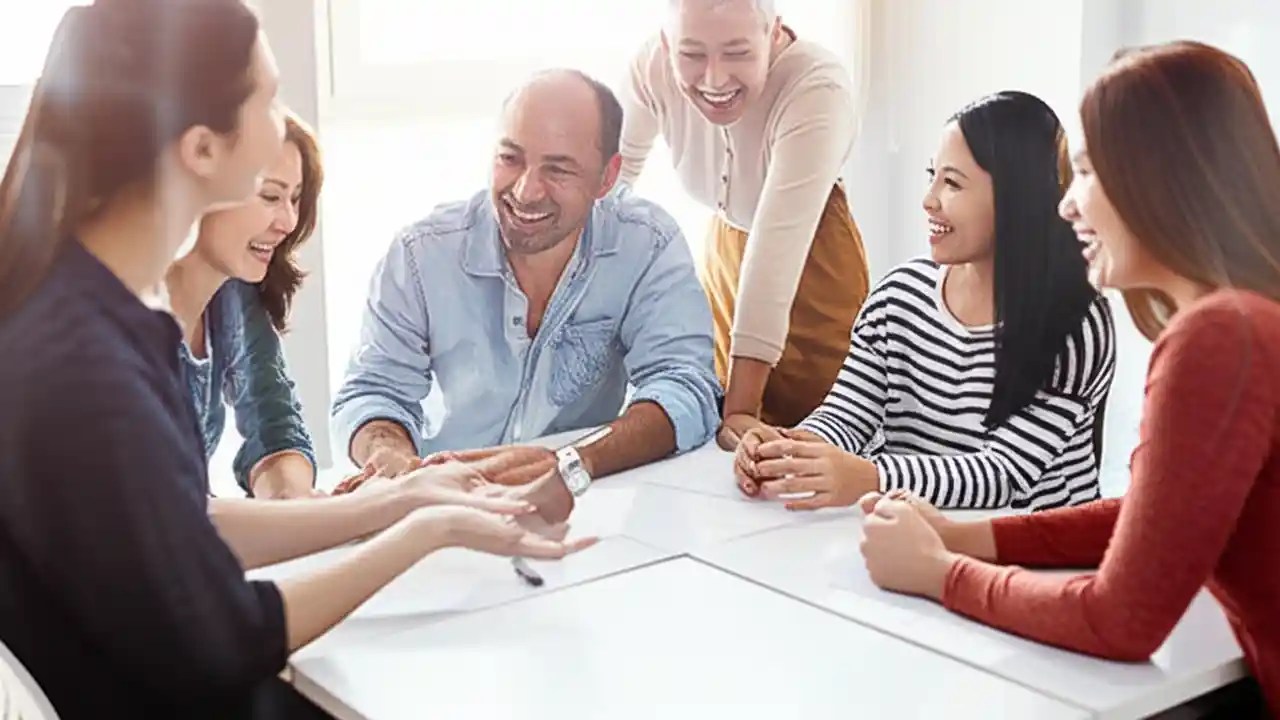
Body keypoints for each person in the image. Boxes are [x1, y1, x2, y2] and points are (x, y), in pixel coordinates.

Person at [0, 3, 592, 718]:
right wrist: (420, 533)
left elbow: (183, 525)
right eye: (268, 100)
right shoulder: (85, 362)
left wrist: (400, 500)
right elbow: (221, 635)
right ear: (201, 149)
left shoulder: (94, 307)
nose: (285, 124)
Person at [858, 42, 1279, 717]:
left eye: (1083, 173)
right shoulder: (1249, 322)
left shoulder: (1219, 338)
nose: (1066, 207)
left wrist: (942, 575)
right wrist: (971, 536)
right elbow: (1155, 516)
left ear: (1158, 178)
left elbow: (1121, 620)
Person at [330, 69, 721, 521]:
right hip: (438, 509)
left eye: (558, 169)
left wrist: (573, 461)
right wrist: (394, 460)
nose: (525, 191)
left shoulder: (646, 243)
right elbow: (370, 392)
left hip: (581, 508)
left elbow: (686, 387)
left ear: (607, 177)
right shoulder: (421, 255)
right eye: (510, 158)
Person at [734, 91, 1115, 512]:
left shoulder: (1077, 322)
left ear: (1015, 197)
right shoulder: (899, 297)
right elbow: (846, 416)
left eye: (951, 183)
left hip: (1033, 558)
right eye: (932, 176)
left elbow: (1003, 475)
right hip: (917, 539)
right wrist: (786, 449)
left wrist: (872, 477)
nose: (928, 199)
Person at [618, 0, 871, 446]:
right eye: (692, 54)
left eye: (737, 53)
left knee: (820, 435)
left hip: (813, 258)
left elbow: (778, 247)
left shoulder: (817, 87)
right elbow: (610, 185)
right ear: (666, 42)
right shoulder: (652, 67)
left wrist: (739, 412)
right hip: (726, 251)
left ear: (774, 33)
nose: (714, 78)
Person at [168, 114, 323, 499]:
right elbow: (156, 510)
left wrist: (287, 497)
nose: (289, 221)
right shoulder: (120, 311)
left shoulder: (232, 293)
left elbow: (275, 425)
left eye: (295, 198)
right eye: (270, 196)